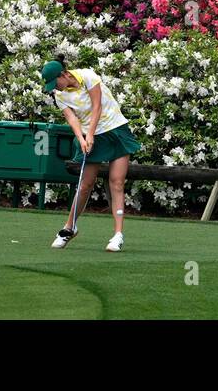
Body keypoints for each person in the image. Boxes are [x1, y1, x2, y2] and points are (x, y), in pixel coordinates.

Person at [41, 57, 142, 252]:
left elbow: (97, 106)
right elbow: (72, 119)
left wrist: (91, 134)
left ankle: (117, 235)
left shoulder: (88, 76)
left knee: (117, 182)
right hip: (89, 135)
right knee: (85, 184)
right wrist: (81, 138)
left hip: (115, 129)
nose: (56, 88)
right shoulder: (60, 95)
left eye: (56, 83)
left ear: (64, 74)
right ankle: (69, 228)